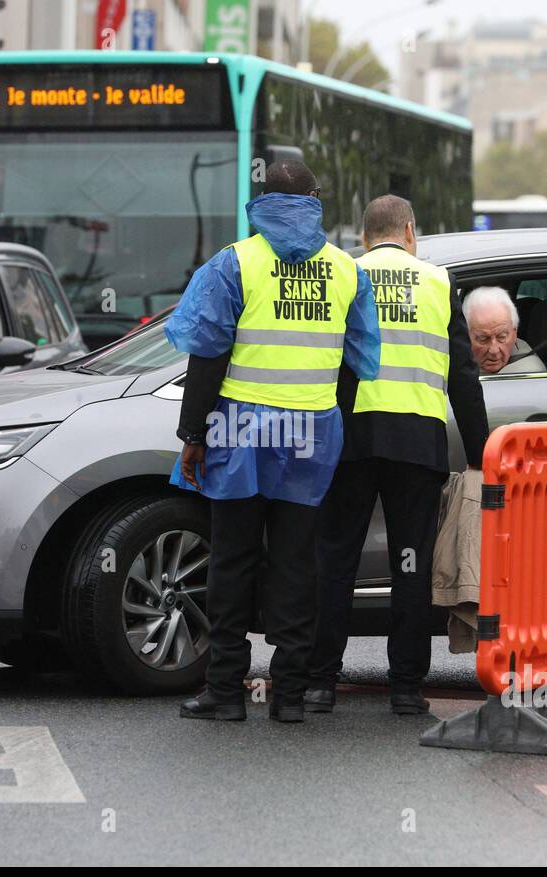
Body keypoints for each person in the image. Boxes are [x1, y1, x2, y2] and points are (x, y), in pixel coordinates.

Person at [165, 160, 380, 724]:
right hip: (310, 433)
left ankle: (225, 691)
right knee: (296, 564)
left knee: (232, 560)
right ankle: (288, 695)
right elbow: (357, 362)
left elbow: (206, 354)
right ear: (314, 202)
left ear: (260, 203)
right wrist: (333, 421)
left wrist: (193, 435)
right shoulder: (347, 271)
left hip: (239, 430)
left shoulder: (234, 263)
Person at [307, 195, 489, 716]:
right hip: (417, 443)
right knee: (412, 566)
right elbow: (462, 376)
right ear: (410, 231)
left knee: (336, 560)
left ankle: (321, 682)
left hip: (351, 440)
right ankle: (407, 688)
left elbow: (328, 360)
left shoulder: (344, 274)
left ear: (364, 236)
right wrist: (478, 453)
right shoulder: (438, 281)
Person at [463, 286, 547, 374]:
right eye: (483, 339)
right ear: (464, 336)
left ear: (515, 334)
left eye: (502, 337)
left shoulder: (526, 374)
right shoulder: (453, 355)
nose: (494, 350)